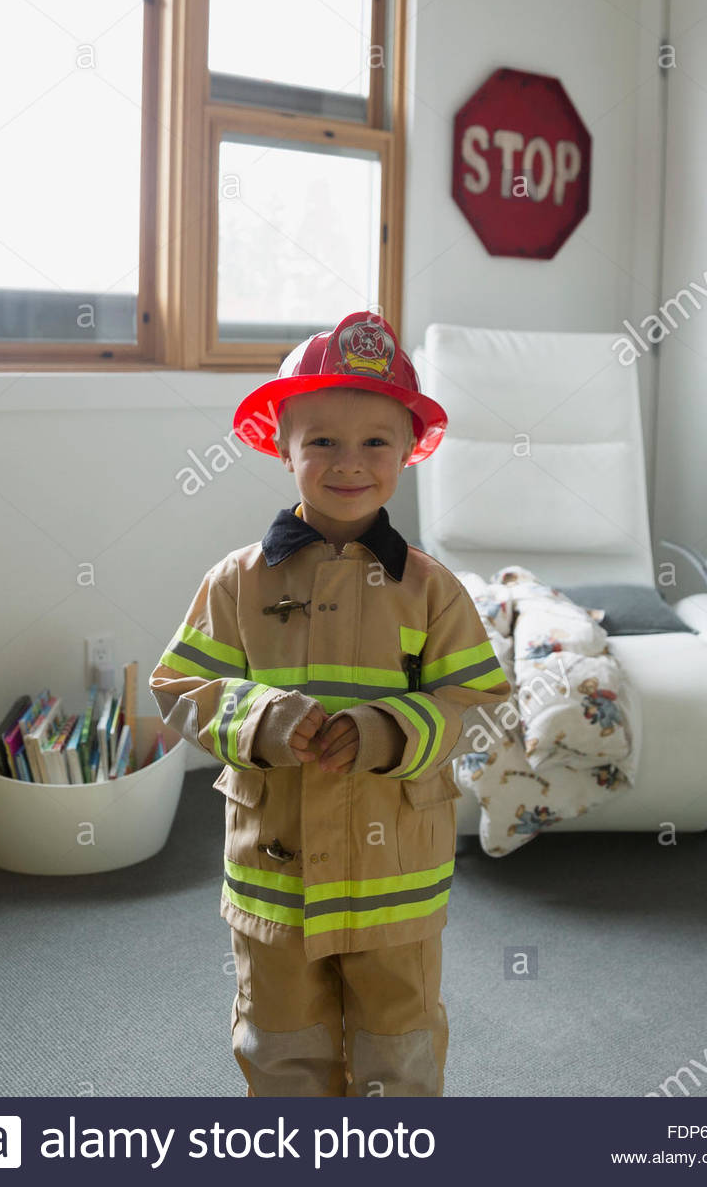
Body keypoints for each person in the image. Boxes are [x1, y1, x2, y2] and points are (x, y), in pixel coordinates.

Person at [149, 309, 511, 1097]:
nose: (350, 462)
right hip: (275, 880)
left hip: (398, 884)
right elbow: (178, 687)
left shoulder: (431, 587)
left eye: (376, 441)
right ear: (282, 447)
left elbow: (479, 698)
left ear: (409, 452)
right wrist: (258, 714)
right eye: (322, 441)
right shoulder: (237, 582)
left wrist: (393, 729)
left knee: (400, 1048)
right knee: (281, 1048)